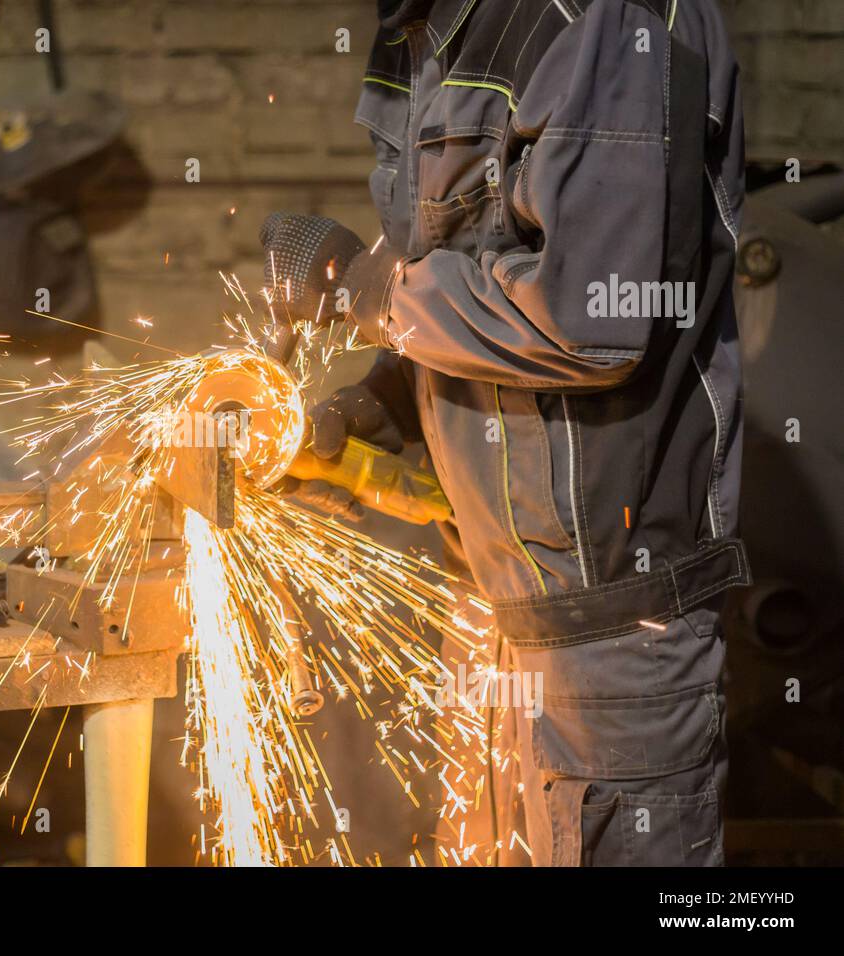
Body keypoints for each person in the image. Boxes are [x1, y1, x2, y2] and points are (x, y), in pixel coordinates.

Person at [260, 0, 747, 865]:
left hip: (608, 642)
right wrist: (375, 411)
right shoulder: (425, 26)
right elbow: (474, 265)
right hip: (489, 617)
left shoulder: (603, 20)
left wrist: (362, 289)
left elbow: (588, 321)